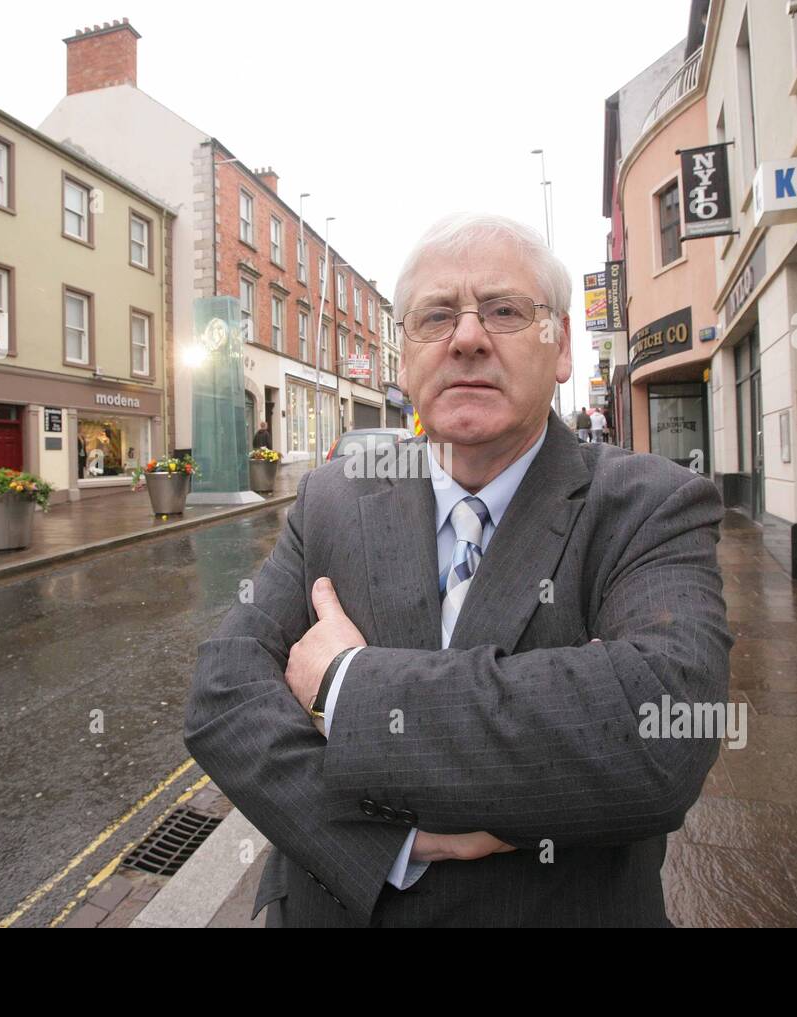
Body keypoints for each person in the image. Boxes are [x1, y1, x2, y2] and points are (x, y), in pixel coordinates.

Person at [184, 213, 731, 928]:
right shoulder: (334, 499)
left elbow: (658, 732)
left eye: (504, 311)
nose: (467, 337)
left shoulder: (650, 503)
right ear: (405, 358)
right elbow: (225, 693)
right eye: (435, 316)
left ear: (560, 344)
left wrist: (343, 685)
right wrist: (386, 839)